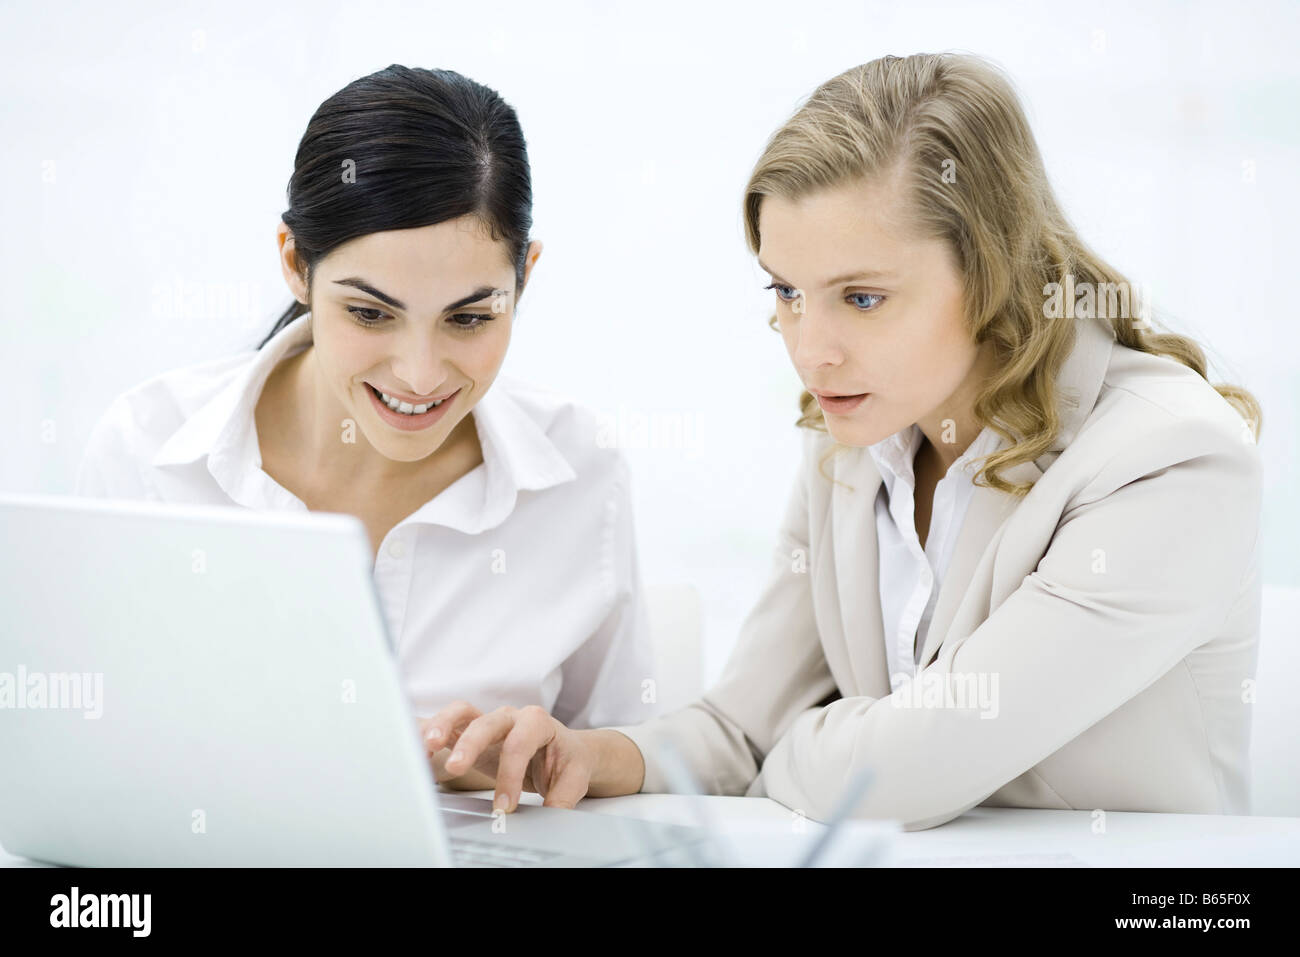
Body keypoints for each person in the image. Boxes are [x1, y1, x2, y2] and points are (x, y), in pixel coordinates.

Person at [419, 52, 1265, 829]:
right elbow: (744, 727)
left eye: (861, 298)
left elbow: (909, 771)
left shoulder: (1171, 462)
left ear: (993, 273)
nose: (807, 347)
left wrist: (816, 747)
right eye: (787, 290)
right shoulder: (857, 432)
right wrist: (582, 755)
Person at [74, 66, 658, 781]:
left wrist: (562, 763)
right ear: (296, 263)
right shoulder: (148, 451)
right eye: (370, 312)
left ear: (525, 277)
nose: (419, 374)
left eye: (470, 317)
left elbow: (633, 759)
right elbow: (83, 753)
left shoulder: (581, 474)